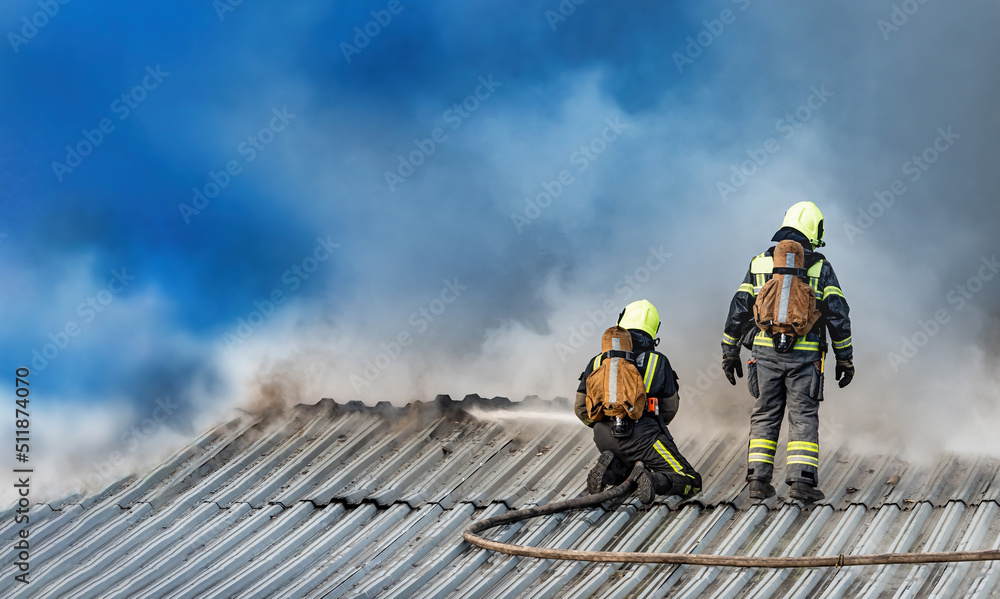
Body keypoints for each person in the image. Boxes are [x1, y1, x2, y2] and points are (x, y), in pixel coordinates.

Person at [721, 201, 854, 502]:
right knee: (803, 416)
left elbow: (738, 310)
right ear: (815, 229)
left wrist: (729, 352)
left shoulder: (759, 264)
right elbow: (838, 315)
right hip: (805, 359)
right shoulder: (820, 267)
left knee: (765, 414)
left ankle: (757, 481)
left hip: (764, 356)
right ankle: (801, 483)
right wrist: (845, 359)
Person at [575, 299, 702, 504]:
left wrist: (600, 424)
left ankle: (609, 470)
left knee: (632, 471)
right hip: (643, 437)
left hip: (602, 436)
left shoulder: (597, 361)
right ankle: (653, 480)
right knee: (691, 481)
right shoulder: (657, 361)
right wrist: (650, 430)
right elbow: (670, 408)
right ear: (653, 330)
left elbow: (580, 408)